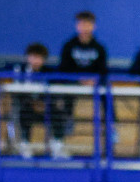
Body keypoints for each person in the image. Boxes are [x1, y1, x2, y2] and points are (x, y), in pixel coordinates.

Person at [55, 10, 109, 159]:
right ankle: (66, 123)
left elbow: (103, 70)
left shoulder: (100, 48)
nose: (84, 27)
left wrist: (93, 80)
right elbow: (63, 69)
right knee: (64, 98)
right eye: (81, 24)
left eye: (88, 24)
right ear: (77, 26)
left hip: (94, 85)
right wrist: (79, 79)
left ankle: (111, 127)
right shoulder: (68, 46)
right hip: (72, 84)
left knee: (107, 96)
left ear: (93, 26)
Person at [10, 42, 52, 158]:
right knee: (25, 111)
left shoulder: (49, 72)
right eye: (33, 57)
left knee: (58, 111)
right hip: (26, 108)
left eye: (39, 58)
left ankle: (56, 144)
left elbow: (52, 93)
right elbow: (17, 92)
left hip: (43, 109)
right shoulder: (20, 70)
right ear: (27, 57)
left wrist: (42, 104)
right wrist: (32, 103)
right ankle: (25, 144)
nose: (36, 61)